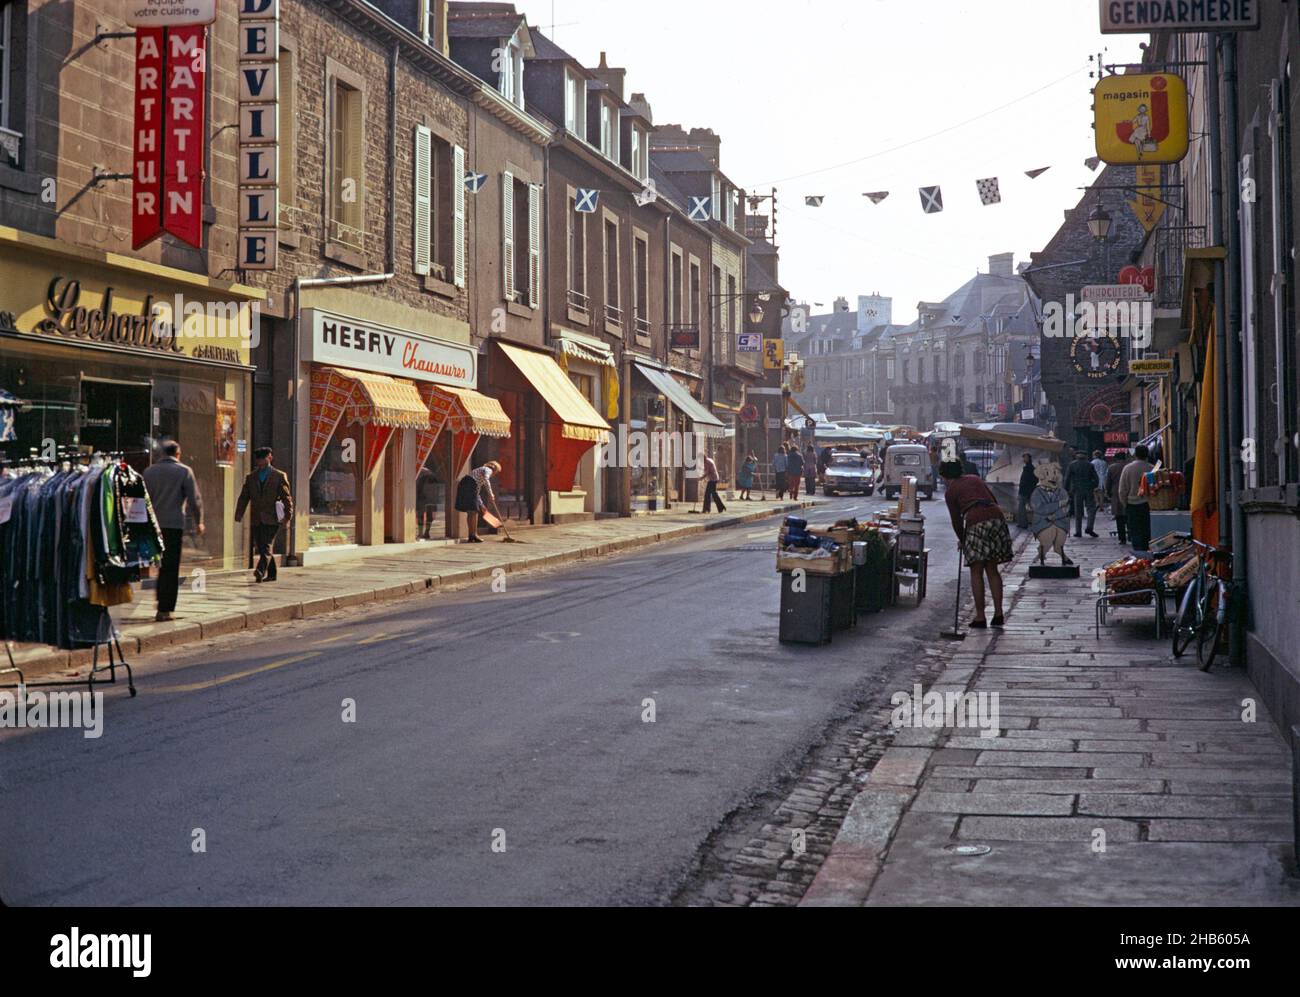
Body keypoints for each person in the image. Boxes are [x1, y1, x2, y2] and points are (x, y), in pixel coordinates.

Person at [941, 460, 1013, 627]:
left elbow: (956, 521)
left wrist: (963, 539)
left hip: (976, 520)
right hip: (996, 517)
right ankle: (998, 613)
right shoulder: (974, 479)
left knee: (977, 569)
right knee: (992, 569)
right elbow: (992, 498)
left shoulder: (951, 492)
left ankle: (980, 616)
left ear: (943, 476)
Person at [142, 440, 204, 621]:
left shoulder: (149, 472)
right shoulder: (184, 471)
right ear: (178, 454)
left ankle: (160, 598)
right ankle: (165, 608)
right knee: (170, 567)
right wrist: (199, 522)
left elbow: (142, 498)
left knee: (158, 564)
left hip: (152, 525)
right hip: (173, 525)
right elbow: (195, 500)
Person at [235, 446, 293, 582]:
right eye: (259, 460)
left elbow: (287, 497)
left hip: (272, 518)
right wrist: (239, 513)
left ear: (270, 458)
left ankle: (260, 571)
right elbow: (244, 496)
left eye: (264, 459)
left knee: (266, 545)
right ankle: (272, 574)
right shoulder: (251, 477)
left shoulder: (279, 476)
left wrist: (288, 515)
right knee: (262, 547)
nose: (261, 462)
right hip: (256, 518)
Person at [454, 460, 503, 542]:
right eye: (496, 472)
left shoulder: (479, 472)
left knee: (472, 511)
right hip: (468, 486)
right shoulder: (487, 469)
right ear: (494, 469)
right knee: (473, 511)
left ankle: (472, 535)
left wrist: (482, 505)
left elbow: (477, 492)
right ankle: (473, 535)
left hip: (466, 486)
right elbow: (487, 480)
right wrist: (491, 494)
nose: (494, 474)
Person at [1117, 444, 1155, 551]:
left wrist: (1125, 503)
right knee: (1146, 530)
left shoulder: (1128, 468)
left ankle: (1138, 553)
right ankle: (1146, 551)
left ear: (1135, 455)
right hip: (1148, 504)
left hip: (1132, 504)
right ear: (1147, 455)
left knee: (1135, 530)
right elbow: (1155, 487)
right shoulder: (1151, 468)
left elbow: (1122, 490)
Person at [1064, 449, 1100, 538]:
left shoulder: (1072, 465)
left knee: (1078, 511)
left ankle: (1078, 531)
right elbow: (1096, 479)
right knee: (1091, 508)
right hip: (1088, 489)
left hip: (1076, 490)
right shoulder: (1090, 465)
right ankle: (1089, 527)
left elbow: (1067, 479)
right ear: (1086, 456)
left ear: (1077, 456)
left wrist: (1066, 490)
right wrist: (1092, 486)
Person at [1107, 450, 1131, 543]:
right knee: (1129, 515)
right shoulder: (1128, 466)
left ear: (1116, 458)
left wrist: (1108, 492)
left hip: (1116, 492)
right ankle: (1130, 535)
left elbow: (1108, 482)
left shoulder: (1112, 467)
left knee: (1119, 517)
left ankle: (1122, 538)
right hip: (1128, 491)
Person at [416, 463, 439, 540]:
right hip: (431, 497)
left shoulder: (419, 472)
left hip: (422, 496)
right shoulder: (432, 474)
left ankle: (420, 533)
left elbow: (417, 486)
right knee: (429, 515)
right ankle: (426, 532)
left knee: (420, 515)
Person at [1016, 452, 1037, 530]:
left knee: (1021, 507)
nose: (1024, 459)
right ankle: (1024, 523)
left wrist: (1028, 487)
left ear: (1028, 459)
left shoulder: (1029, 468)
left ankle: (1023, 523)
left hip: (1025, 491)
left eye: (1025, 457)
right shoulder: (1029, 468)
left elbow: (1028, 480)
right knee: (1027, 506)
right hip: (1027, 490)